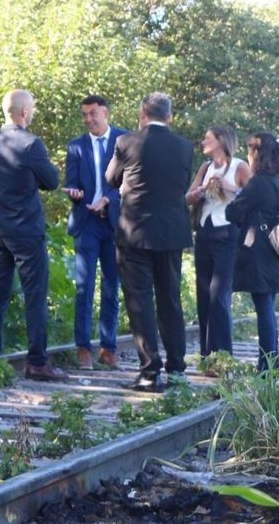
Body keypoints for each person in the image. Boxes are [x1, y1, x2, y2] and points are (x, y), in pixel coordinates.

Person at [105, 92, 193, 392]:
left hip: (135, 233)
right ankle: (178, 370)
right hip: (170, 234)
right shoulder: (184, 147)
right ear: (169, 116)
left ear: (143, 112)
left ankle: (149, 372)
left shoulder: (126, 142)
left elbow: (110, 178)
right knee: (170, 299)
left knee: (139, 300)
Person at [0, 90, 67, 381]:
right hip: (26, 231)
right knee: (35, 296)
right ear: (24, 113)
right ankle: (38, 362)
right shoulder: (31, 145)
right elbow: (52, 181)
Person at [61, 95, 125, 370]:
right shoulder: (75, 146)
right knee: (83, 287)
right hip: (86, 221)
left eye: (93, 113)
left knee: (112, 286)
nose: (88, 119)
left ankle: (108, 347)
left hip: (113, 223)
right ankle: (83, 347)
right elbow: (71, 183)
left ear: (105, 113)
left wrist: (109, 198)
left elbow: (130, 181)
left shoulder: (124, 141)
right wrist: (75, 193)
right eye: (85, 114)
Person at [226, 132, 279, 371]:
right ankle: (270, 363)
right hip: (278, 253)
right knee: (268, 308)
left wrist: (234, 197)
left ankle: (267, 367)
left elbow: (232, 213)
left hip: (260, 255)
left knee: (264, 308)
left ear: (257, 153)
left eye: (249, 149)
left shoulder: (258, 182)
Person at [185, 125, 251, 367]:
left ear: (222, 141)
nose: (203, 142)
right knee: (203, 296)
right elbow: (187, 197)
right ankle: (207, 356)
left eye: (208, 138)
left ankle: (223, 358)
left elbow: (254, 196)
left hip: (228, 235)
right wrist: (201, 190)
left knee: (218, 296)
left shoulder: (239, 166)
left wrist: (229, 187)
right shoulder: (205, 168)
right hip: (204, 233)